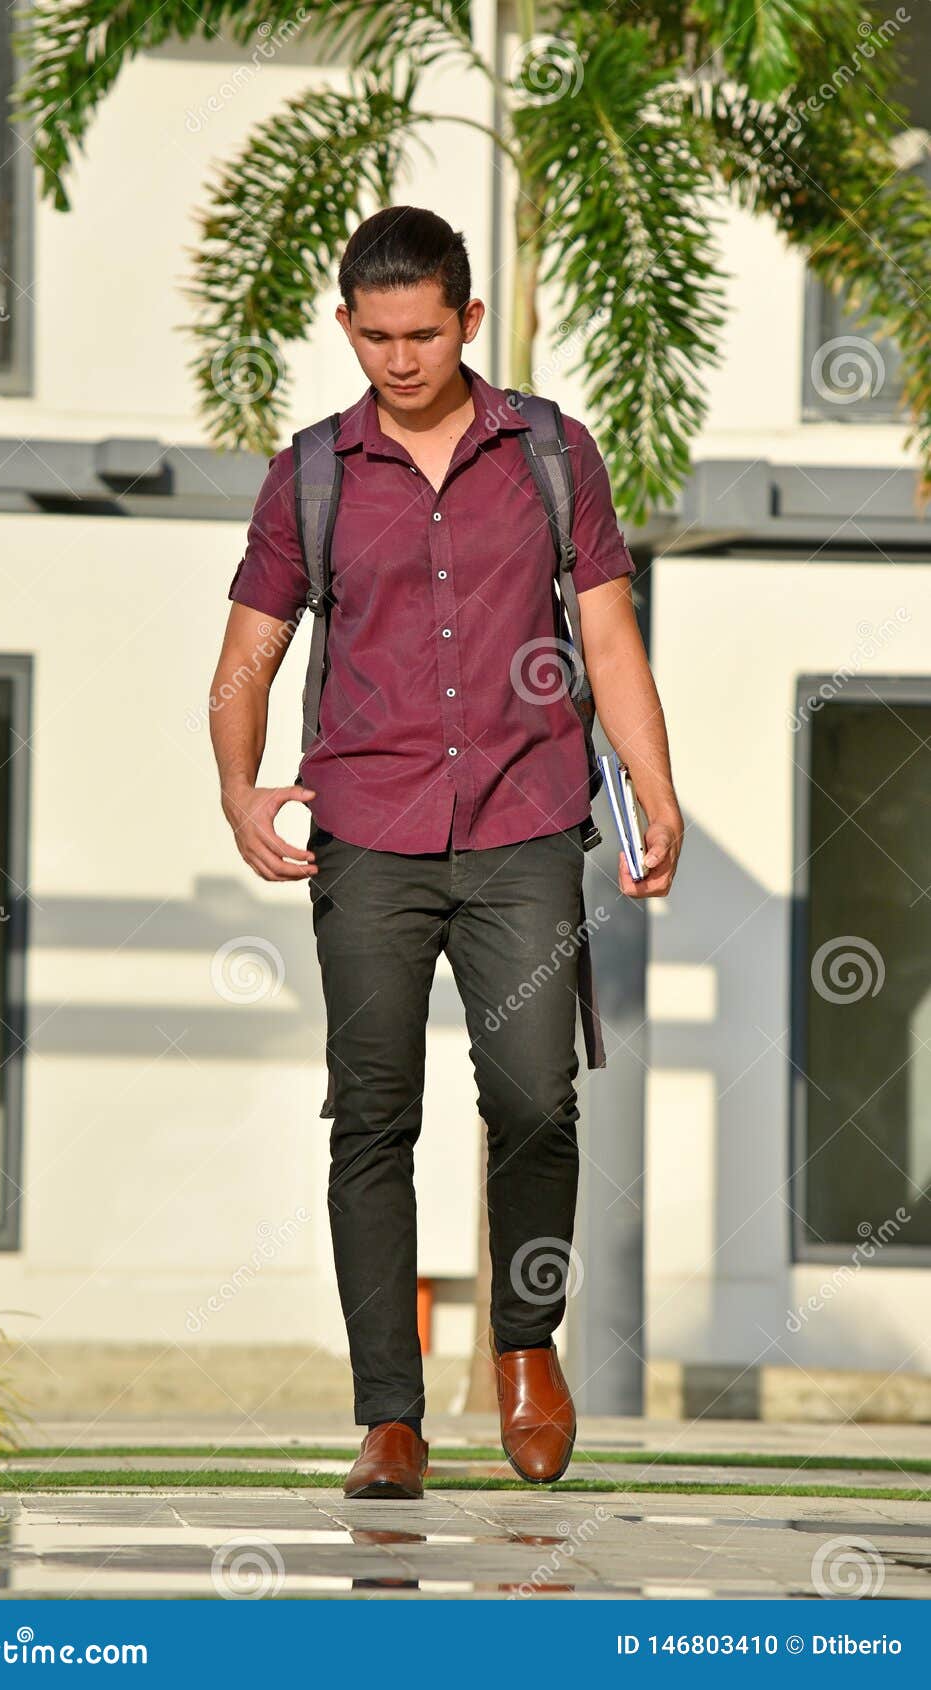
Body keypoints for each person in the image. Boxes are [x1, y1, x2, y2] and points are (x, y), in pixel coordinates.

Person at [209, 206, 683, 1500]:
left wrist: (654, 785)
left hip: (529, 823)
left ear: (469, 319)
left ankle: (527, 1346)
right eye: (375, 338)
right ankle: (390, 1417)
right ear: (348, 326)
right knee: (372, 1113)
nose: (400, 360)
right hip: (368, 832)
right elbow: (250, 652)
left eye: (423, 333)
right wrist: (239, 787)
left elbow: (607, 636)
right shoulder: (313, 471)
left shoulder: (550, 453)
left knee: (535, 1092)